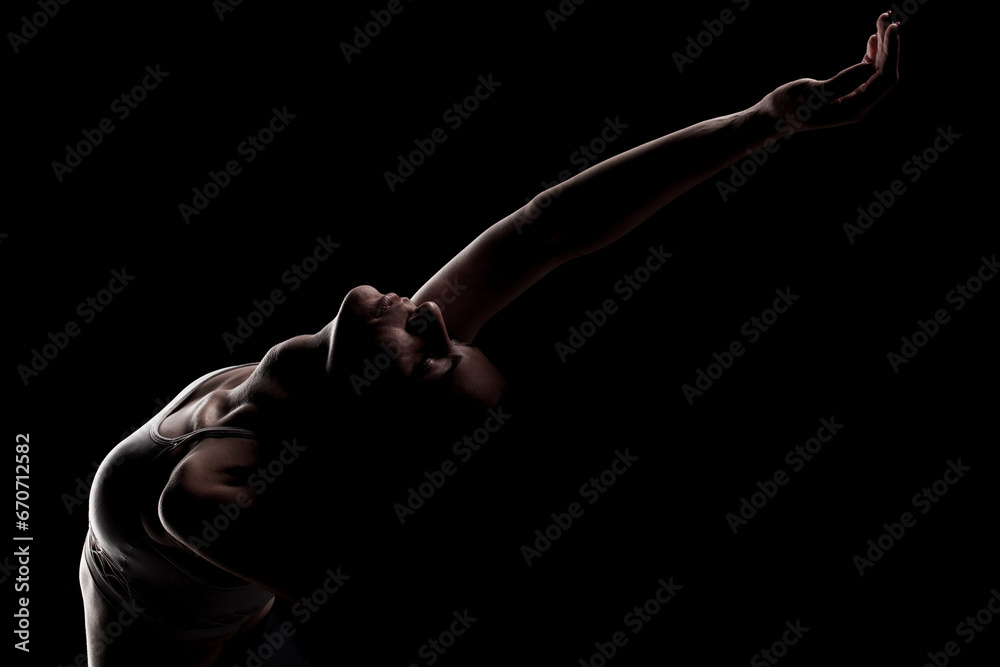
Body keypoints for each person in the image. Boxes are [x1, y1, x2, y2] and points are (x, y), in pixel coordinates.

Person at [79, 13, 900, 666]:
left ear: (364, 433)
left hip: (157, 631)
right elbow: (545, 232)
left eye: (432, 355)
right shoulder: (357, 387)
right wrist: (761, 122)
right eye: (450, 342)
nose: (437, 317)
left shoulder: (211, 499)